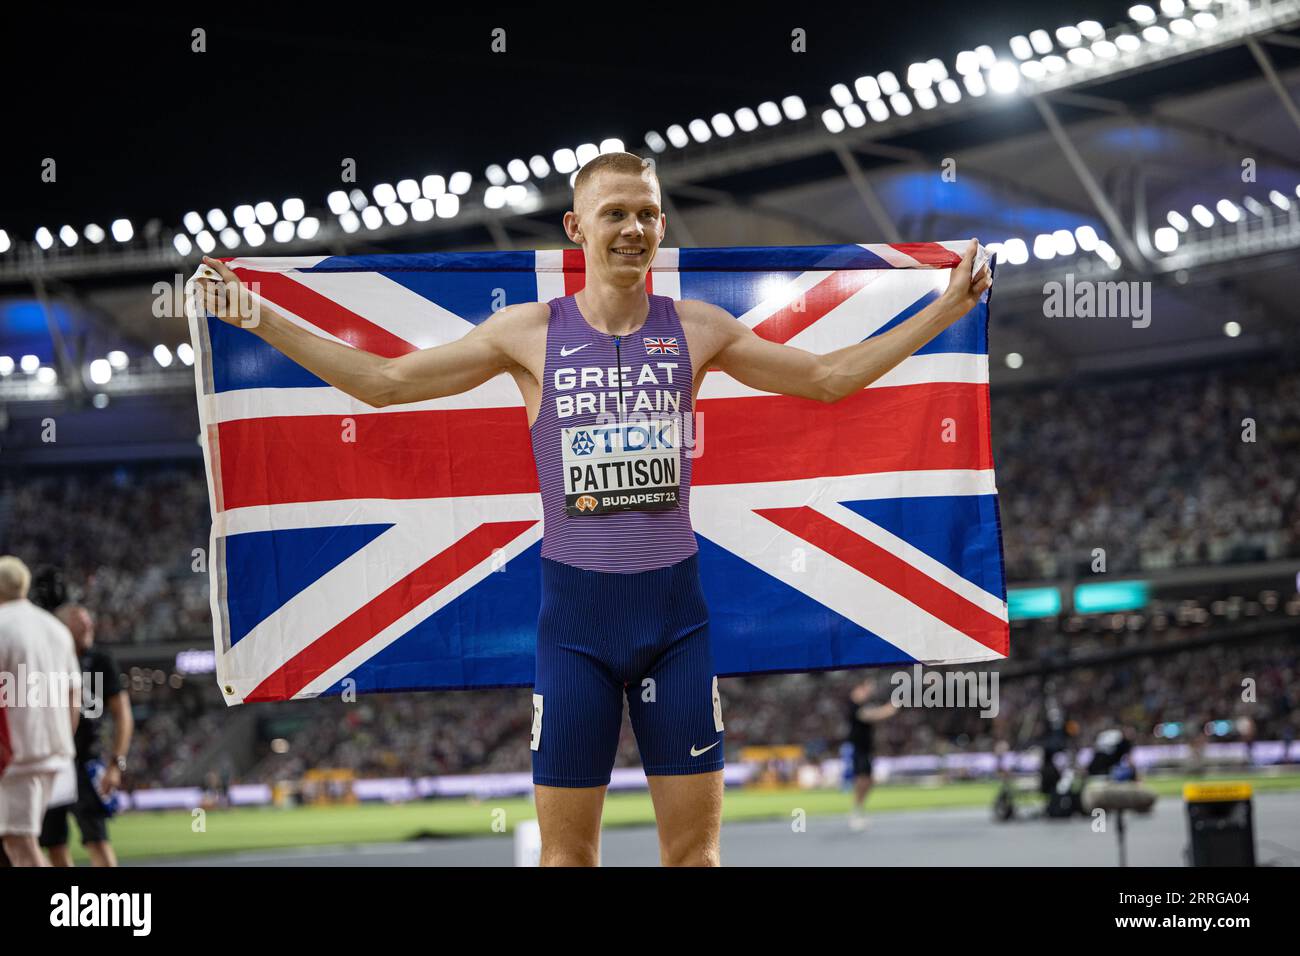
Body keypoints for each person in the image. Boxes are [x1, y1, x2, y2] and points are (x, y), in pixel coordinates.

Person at [195, 151, 991, 866]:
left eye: (647, 213)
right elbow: (387, 383)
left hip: (676, 624)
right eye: (616, 213)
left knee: (694, 858)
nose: (634, 228)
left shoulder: (699, 329)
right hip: (574, 631)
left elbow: (827, 378)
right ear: (578, 227)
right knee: (567, 861)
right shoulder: (530, 333)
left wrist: (945, 311)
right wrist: (258, 315)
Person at [0, 556, 81, 867]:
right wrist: (63, 739)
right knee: (22, 842)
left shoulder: (3, 625)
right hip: (53, 752)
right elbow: (74, 695)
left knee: (22, 845)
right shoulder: (55, 628)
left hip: (18, 758)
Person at [39, 604, 132, 867]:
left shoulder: (101, 660)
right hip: (53, 763)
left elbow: (123, 715)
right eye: (81, 623)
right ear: (62, 628)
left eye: (89, 622)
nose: (89, 627)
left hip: (86, 763)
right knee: (53, 843)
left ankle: (110, 907)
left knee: (98, 839)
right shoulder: (46, 660)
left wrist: (116, 763)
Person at [846, 677, 898, 830]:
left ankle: (858, 809)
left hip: (866, 748)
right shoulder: (854, 706)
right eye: (868, 688)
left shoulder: (862, 704)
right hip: (858, 748)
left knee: (868, 780)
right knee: (862, 779)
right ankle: (856, 812)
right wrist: (888, 709)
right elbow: (870, 715)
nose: (870, 691)